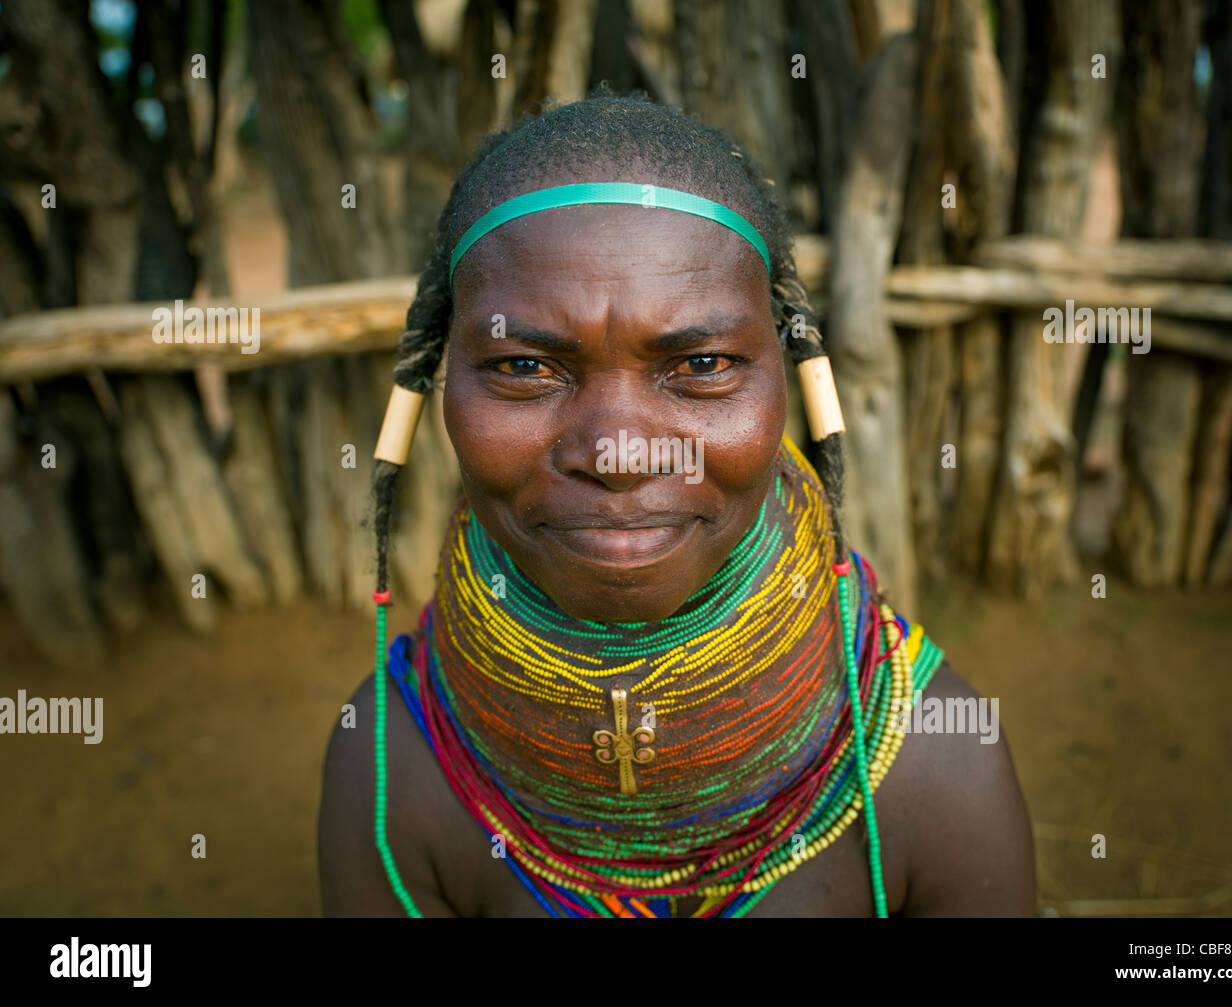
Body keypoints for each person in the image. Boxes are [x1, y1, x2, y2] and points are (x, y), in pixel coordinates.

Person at [318, 94, 1036, 917]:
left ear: (795, 378)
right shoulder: (388, 770)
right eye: (523, 367)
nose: (619, 452)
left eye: (701, 362)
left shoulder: (930, 762)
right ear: (432, 390)